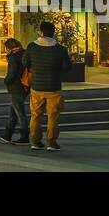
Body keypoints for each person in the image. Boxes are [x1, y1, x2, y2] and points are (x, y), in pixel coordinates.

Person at [23, 20, 72, 152]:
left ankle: (35, 141)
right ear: (53, 33)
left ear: (41, 32)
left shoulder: (32, 47)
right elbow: (67, 67)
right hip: (54, 87)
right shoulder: (60, 49)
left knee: (36, 115)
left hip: (36, 87)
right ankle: (51, 142)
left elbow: (24, 62)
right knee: (53, 116)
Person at [0, 37, 29, 145]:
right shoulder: (25, 54)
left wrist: (6, 81)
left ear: (9, 48)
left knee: (20, 113)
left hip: (16, 87)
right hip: (25, 86)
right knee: (14, 111)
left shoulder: (13, 57)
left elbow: (11, 73)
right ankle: (8, 134)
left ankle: (24, 135)